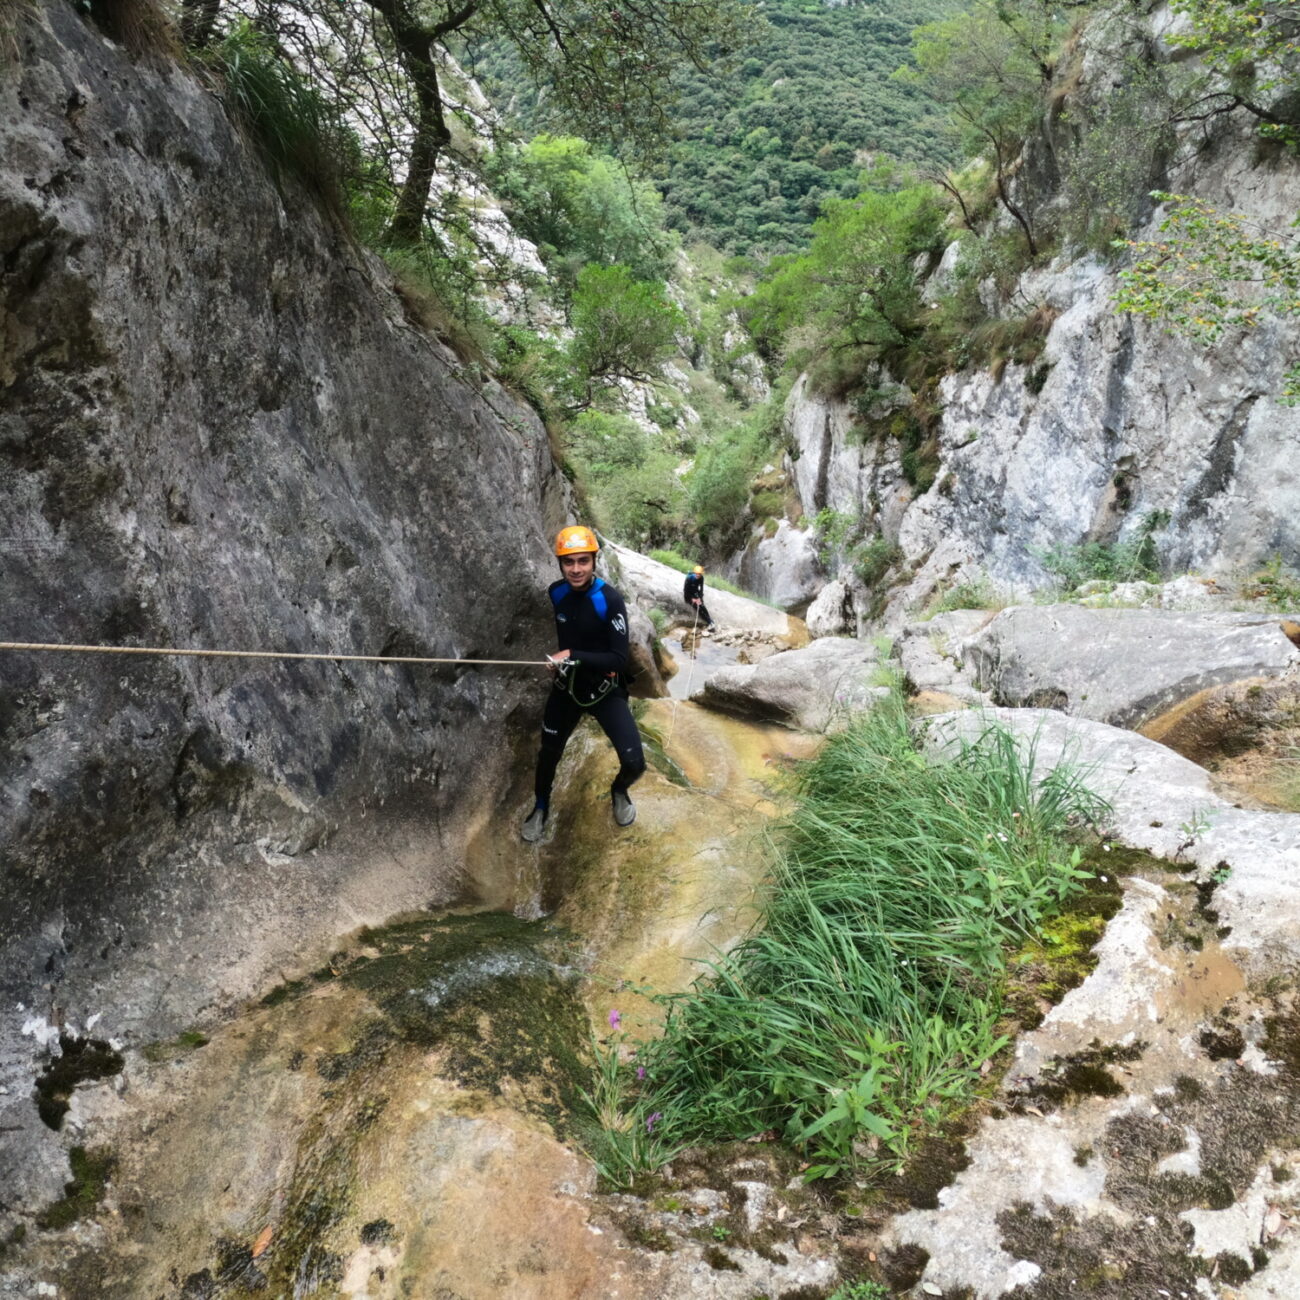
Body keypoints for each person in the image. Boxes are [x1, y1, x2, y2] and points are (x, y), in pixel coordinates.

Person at [521, 526, 646, 843]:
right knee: (548, 754)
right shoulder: (556, 593)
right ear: (560, 564)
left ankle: (619, 790)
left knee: (634, 762)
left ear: (594, 561)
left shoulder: (609, 600)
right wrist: (563, 661)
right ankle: (540, 806)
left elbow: (618, 659)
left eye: (583, 561)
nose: (576, 569)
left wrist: (572, 654)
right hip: (567, 689)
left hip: (604, 689)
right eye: (569, 562)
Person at [682, 564, 716, 635]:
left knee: (702, 605)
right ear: (694, 573)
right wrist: (692, 599)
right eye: (697, 574)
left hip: (695, 592)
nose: (698, 575)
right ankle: (709, 622)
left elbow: (701, 589)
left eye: (699, 574)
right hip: (688, 594)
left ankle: (710, 620)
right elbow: (685, 591)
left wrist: (700, 598)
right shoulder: (689, 578)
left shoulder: (701, 578)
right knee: (698, 608)